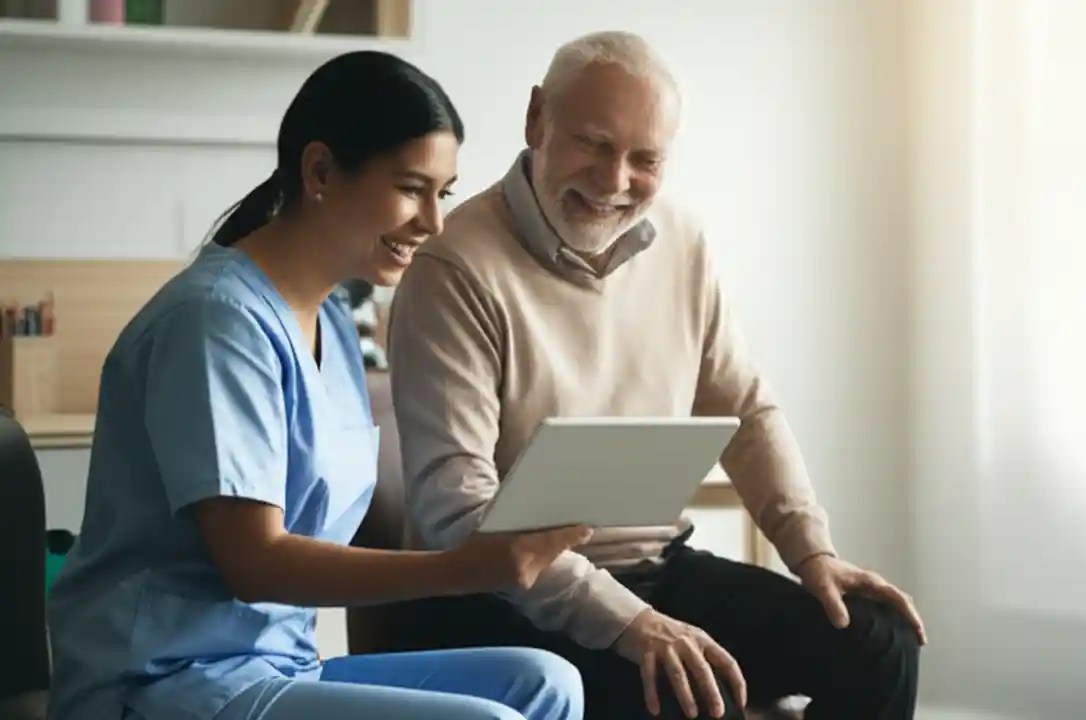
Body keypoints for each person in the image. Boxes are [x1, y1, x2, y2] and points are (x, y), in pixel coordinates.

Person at [385, 31, 926, 720]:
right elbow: (456, 510)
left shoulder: (683, 242)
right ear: (535, 120)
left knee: (880, 644)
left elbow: (749, 409)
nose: (614, 181)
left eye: (644, 159)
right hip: (502, 597)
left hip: (655, 570)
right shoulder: (453, 268)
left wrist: (812, 554)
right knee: (678, 692)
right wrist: (628, 623)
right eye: (594, 144)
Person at [46, 51, 591, 720]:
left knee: (545, 682)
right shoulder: (215, 320)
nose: (433, 222)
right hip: (162, 681)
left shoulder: (334, 319)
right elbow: (257, 564)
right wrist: (470, 566)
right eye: (411, 187)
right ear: (321, 172)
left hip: (274, 664)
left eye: (442, 193)